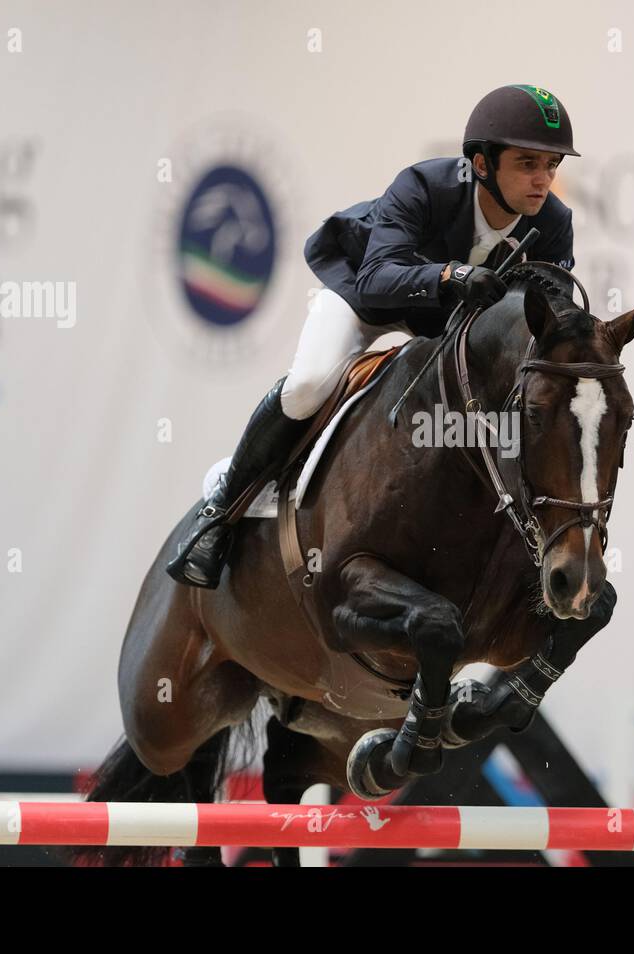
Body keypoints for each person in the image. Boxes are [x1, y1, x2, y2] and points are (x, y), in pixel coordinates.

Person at [166, 85, 580, 588]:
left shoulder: (554, 223)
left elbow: (550, 317)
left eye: (551, 166)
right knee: (309, 384)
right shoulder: (423, 187)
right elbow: (378, 276)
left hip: (445, 326)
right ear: (482, 164)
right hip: (370, 297)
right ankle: (222, 506)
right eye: (527, 163)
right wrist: (451, 276)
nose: (543, 181)